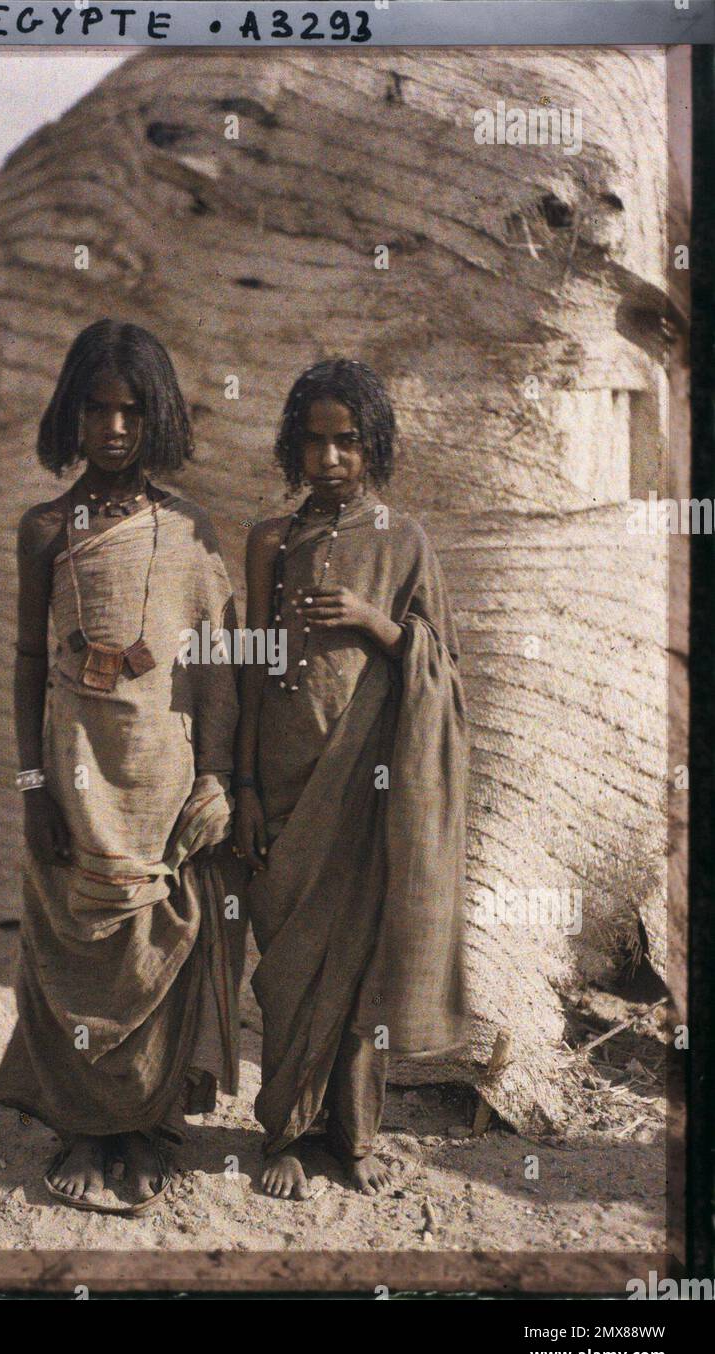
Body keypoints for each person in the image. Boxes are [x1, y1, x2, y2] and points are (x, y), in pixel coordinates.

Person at [0, 320, 240, 1215]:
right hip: (73, 774)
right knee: (76, 949)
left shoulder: (191, 533)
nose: (114, 428)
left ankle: (143, 1127)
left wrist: (217, 775)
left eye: (132, 411)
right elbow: (27, 662)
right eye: (96, 410)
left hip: (160, 782)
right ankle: (88, 1128)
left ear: (158, 418)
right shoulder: (46, 530)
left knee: (150, 949)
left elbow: (216, 664)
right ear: (72, 415)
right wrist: (32, 789)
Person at [233, 359, 468, 1200]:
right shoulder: (271, 540)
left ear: (374, 447)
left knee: (361, 965)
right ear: (294, 445)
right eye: (315, 440)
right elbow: (253, 668)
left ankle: (355, 1136)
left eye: (347, 442)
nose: (330, 457)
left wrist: (377, 623)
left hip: (370, 790)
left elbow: (443, 672)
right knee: (291, 968)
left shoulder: (406, 543)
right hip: (286, 789)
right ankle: (290, 1136)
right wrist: (246, 786)